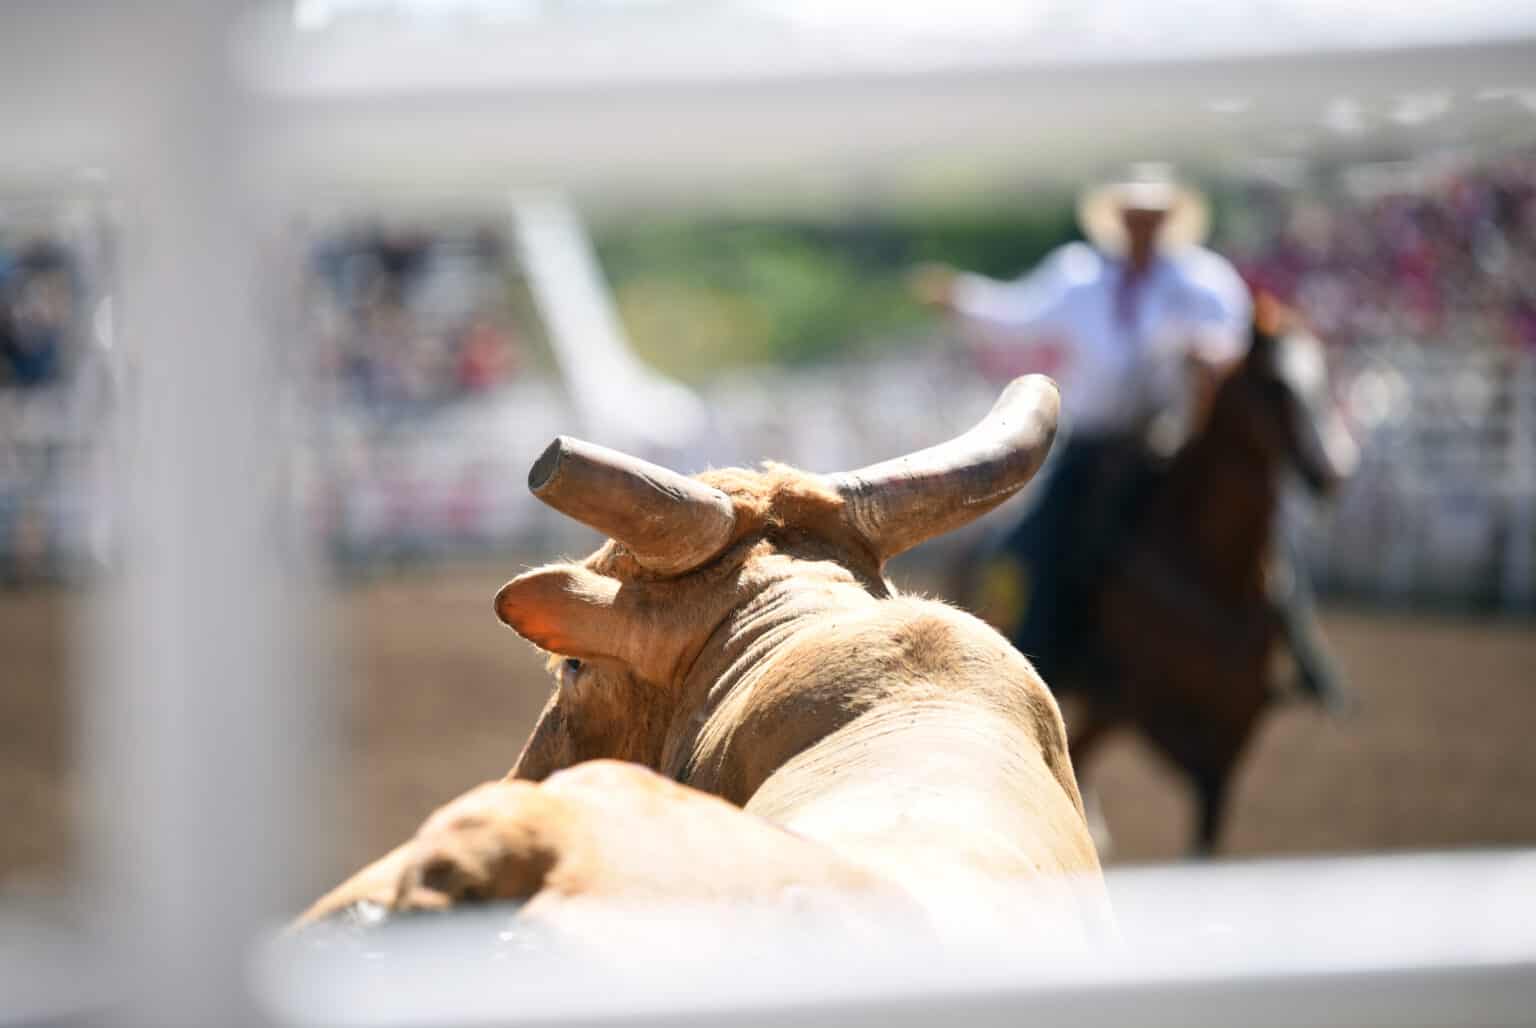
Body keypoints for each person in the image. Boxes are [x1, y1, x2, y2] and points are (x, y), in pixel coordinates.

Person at [913, 164, 1345, 707]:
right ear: (1117, 220)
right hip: (1091, 445)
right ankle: (1035, 658)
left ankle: (1301, 651)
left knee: (1252, 527)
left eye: (1151, 217)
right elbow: (1018, 313)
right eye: (1133, 217)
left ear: (1168, 221)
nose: (1141, 227)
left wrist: (1210, 357)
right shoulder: (1079, 276)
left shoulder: (1200, 281)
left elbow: (1238, 343)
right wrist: (961, 297)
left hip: (1166, 444)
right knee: (1039, 538)